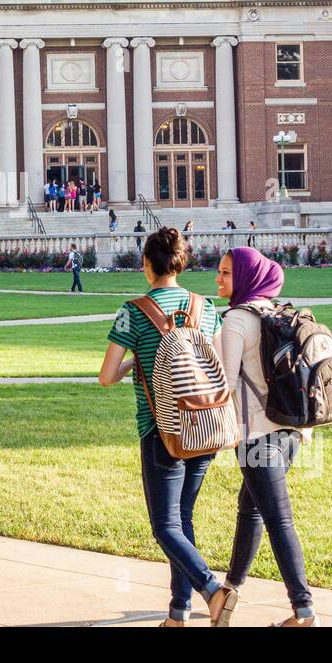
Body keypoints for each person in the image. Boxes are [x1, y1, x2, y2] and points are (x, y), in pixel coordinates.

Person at [98, 226, 231, 627]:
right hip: (205, 424)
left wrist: (132, 363)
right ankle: (178, 613)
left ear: (146, 265)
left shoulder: (133, 310)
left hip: (162, 429)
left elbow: (106, 376)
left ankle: (213, 591)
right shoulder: (204, 306)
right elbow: (218, 360)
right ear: (180, 263)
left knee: (164, 526)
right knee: (183, 518)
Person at [214, 247, 318, 627]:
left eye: (225, 273)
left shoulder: (237, 321)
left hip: (257, 438)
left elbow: (222, 385)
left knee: (279, 521)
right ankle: (230, 589)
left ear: (243, 278)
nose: (218, 279)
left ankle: (304, 611)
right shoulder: (276, 312)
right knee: (250, 509)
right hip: (291, 432)